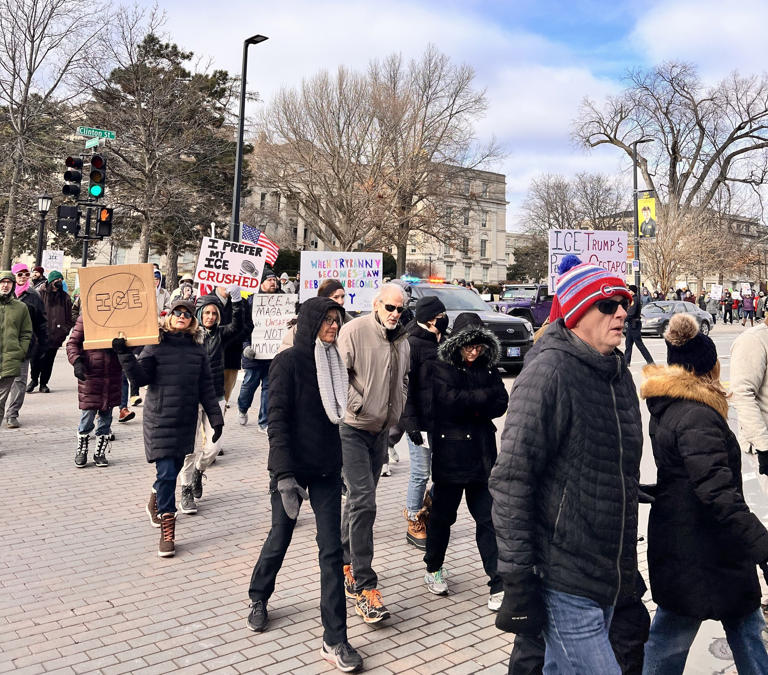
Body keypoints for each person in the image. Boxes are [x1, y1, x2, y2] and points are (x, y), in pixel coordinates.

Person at [489, 262, 642, 673]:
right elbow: (511, 479)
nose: (621, 313)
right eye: (608, 305)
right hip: (562, 576)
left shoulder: (618, 374)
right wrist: (517, 576)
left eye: (625, 303)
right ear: (577, 313)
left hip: (607, 572)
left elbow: (612, 467)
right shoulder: (549, 371)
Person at [641, 313, 768, 673]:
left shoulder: (672, 405)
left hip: (690, 543)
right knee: (675, 636)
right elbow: (718, 493)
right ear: (708, 368)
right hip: (704, 548)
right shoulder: (697, 416)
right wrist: (762, 546)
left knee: (740, 626)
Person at [246, 297, 364, 672]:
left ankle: (335, 639)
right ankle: (259, 596)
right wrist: (283, 476)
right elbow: (277, 421)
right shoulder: (288, 362)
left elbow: (335, 422)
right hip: (291, 471)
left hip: (326, 470)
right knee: (280, 535)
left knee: (331, 551)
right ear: (311, 322)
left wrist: (340, 467)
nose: (333, 326)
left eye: (337, 320)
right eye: (327, 320)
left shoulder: (335, 362)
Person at [114, 298, 224, 557]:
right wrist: (124, 354)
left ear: (192, 320)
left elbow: (206, 387)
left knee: (171, 472)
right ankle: (168, 528)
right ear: (169, 316)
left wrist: (216, 419)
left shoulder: (198, 350)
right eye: (177, 312)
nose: (182, 316)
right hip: (160, 419)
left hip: (185, 420)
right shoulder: (156, 344)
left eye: (187, 313)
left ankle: (156, 496)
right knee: (166, 472)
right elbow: (140, 378)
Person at [419, 312, 509, 610]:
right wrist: (480, 401)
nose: (474, 352)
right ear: (458, 344)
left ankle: (498, 583)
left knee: (488, 519)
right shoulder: (439, 366)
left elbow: (501, 401)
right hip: (451, 455)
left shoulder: (487, 366)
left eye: (479, 346)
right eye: (469, 346)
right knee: (443, 517)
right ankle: (433, 567)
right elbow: (448, 402)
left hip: (483, 455)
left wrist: (471, 401)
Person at [338, 283, 410, 624]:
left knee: (358, 501)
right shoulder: (354, 331)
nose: (395, 314)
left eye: (400, 309)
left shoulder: (402, 340)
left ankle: (344, 560)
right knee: (364, 502)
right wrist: (356, 405)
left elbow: (404, 379)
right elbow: (338, 377)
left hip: (380, 431)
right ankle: (365, 583)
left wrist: (396, 411)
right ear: (377, 304)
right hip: (352, 427)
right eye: (390, 307)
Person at [178, 286, 243, 514]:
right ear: (199, 314)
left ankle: (199, 470)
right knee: (189, 447)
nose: (211, 317)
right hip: (190, 397)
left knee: (214, 447)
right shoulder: (187, 336)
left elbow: (238, 326)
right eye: (207, 312)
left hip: (215, 396)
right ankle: (186, 488)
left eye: (214, 313)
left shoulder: (221, 334)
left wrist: (237, 302)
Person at [399, 295, 448, 549]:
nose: (444, 320)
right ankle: (413, 518)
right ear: (429, 319)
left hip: (443, 421)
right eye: (440, 317)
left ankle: (428, 506)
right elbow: (405, 388)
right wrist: (411, 424)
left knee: (445, 472)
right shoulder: (411, 344)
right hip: (420, 422)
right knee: (420, 472)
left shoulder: (445, 341)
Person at [66, 315, 122, 468]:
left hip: (112, 374)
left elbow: (135, 343)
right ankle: (82, 450)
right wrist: (77, 362)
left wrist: (123, 349)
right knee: (88, 413)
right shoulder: (86, 317)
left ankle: (100, 453)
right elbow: (72, 343)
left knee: (106, 415)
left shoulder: (121, 317)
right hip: (91, 374)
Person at [238, 268, 282, 432]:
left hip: (273, 354)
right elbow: (243, 327)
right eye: (269, 280)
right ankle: (242, 408)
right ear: (261, 283)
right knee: (249, 385)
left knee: (269, 388)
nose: (273, 282)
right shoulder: (251, 301)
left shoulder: (284, 300)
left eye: (274, 280)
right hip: (254, 353)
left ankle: (264, 422)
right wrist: (245, 346)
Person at [5, 263, 47, 428]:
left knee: (19, 381)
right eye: (20, 274)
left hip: (23, 346)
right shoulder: (4, 293)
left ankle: (12, 414)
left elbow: (41, 321)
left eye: (26, 274)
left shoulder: (34, 296)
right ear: (13, 276)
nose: (23, 277)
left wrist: (43, 343)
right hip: (3, 345)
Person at [29, 270, 73, 393]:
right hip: (39, 335)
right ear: (51, 281)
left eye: (61, 279)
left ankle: (44, 383)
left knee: (48, 361)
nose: (59, 281)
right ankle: (34, 380)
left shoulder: (65, 297)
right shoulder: (40, 294)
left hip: (55, 336)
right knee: (35, 359)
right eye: (57, 279)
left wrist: (64, 331)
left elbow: (70, 317)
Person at [0, 271, 32, 426]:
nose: (5, 285)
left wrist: (20, 352)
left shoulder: (21, 307)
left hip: (10, 362)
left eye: (9, 282)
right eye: (2, 282)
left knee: (0, 403)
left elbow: (26, 332)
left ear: (13, 285)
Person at [624, 285, 654, 367]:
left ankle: (650, 361)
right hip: (631, 324)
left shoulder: (634, 299)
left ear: (632, 291)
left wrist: (623, 320)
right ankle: (626, 362)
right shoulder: (632, 299)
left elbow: (631, 313)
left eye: (629, 290)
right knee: (628, 344)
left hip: (634, 325)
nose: (628, 292)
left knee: (639, 344)